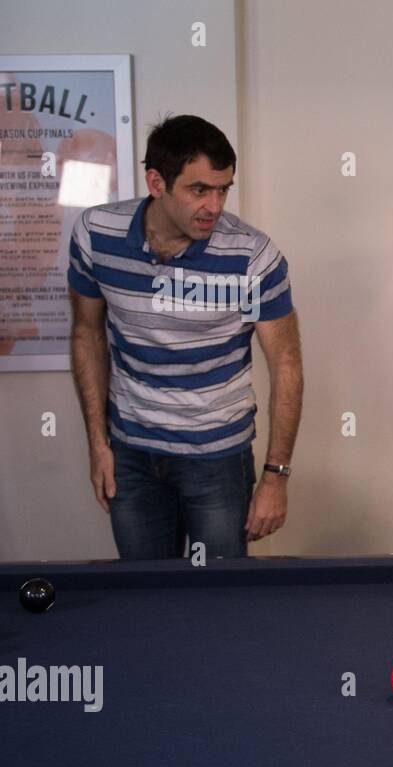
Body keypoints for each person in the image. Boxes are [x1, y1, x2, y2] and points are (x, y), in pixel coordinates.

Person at [67, 115, 303, 560]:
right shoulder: (97, 236)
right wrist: (98, 444)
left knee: (218, 603)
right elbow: (86, 334)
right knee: (146, 598)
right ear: (156, 183)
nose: (214, 206)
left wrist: (275, 476)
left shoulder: (252, 256)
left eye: (223, 189)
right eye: (199, 190)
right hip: (131, 453)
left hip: (217, 458)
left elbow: (286, 365)